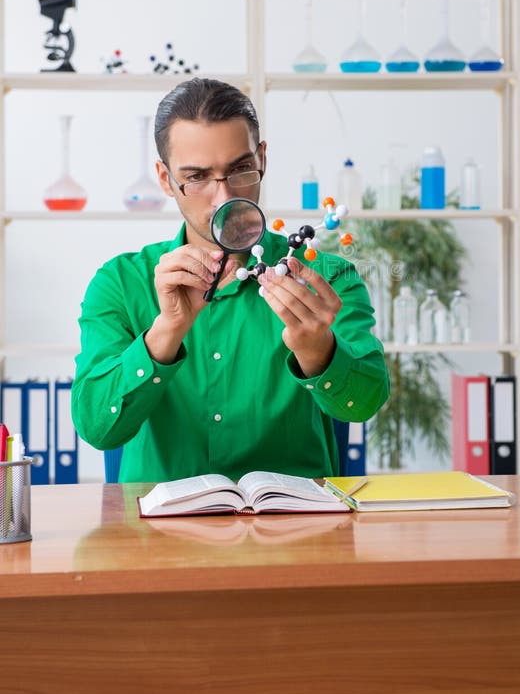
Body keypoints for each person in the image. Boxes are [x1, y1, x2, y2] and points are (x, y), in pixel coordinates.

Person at [72, 78, 389, 482]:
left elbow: (362, 405)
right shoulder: (120, 282)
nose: (223, 198)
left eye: (240, 170)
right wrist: (165, 333)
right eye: (197, 177)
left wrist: (318, 352)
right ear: (166, 179)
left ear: (262, 160)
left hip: (299, 532)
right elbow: (97, 428)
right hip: (157, 535)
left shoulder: (325, 276)